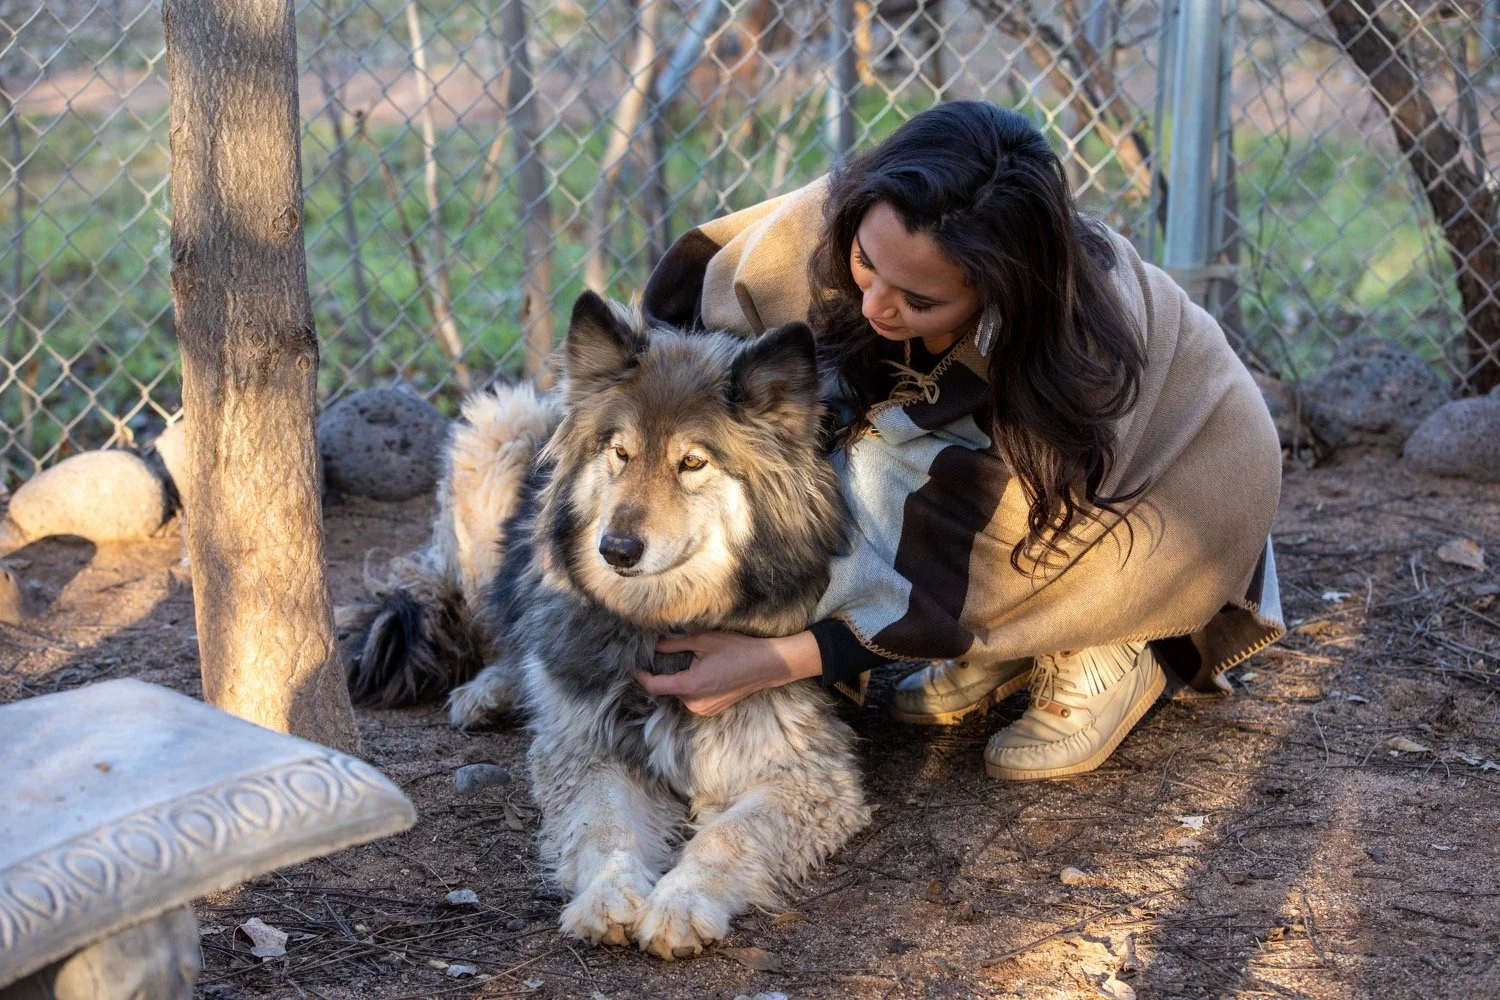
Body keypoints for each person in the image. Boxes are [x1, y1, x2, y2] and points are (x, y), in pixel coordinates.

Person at [633, 101, 1284, 780]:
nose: (875, 305)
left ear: (999, 294)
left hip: (1179, 489)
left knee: (902, 490)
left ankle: (1108, 639)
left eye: (918, 302)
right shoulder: (856, 215)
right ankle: (998, 641)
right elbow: (685, 328)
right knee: (854, 462)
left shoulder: (1070, 362)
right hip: (1002, 453)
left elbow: (979, 542)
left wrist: (774, 659)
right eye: (863, 262)